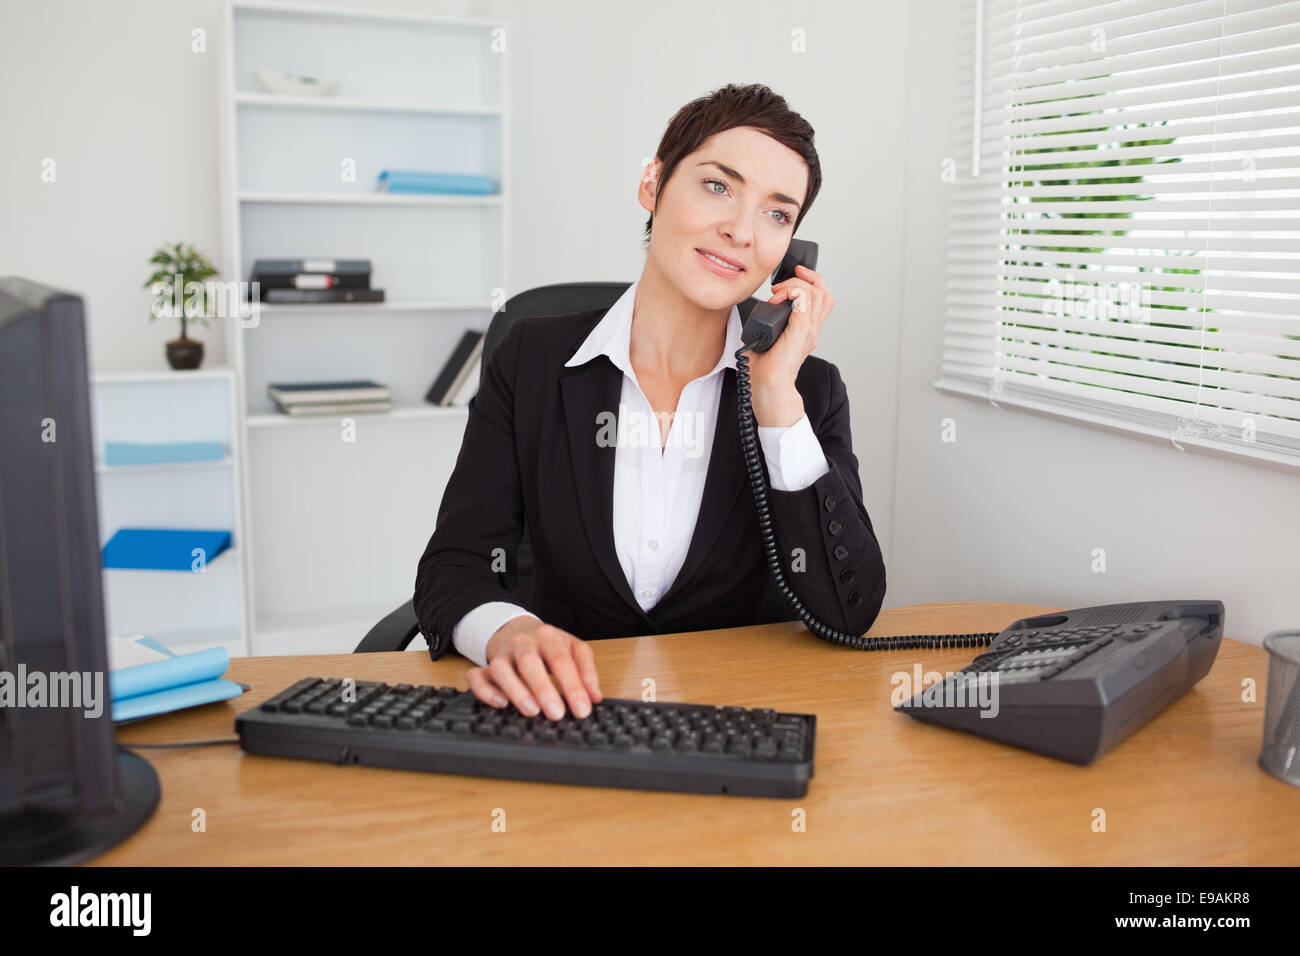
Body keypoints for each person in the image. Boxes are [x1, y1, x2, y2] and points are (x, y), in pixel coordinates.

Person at [413, 83, 886, 721]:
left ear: (791, 256)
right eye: (719, 186)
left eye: (777, 214)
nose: (741, 231)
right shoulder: (531, 359)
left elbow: (846, 610)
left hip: (737, 725)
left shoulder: (809, 389)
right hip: (559, 716)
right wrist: (504, 632)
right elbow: (455, 563)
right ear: (653, 184)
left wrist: (775, 395)